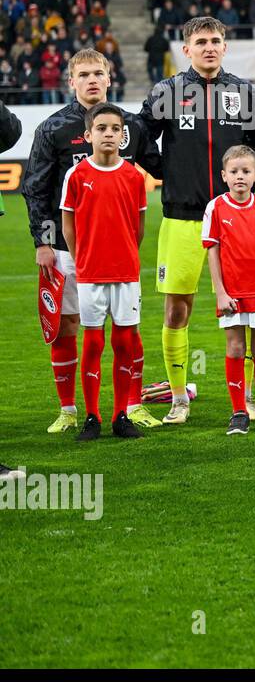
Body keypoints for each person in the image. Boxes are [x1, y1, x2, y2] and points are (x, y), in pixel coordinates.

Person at [21, 48, 163, 433]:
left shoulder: (130, 125)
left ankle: (131, 406)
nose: (92, 80)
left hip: (117, 253)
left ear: (110, 77)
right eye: (83, 74)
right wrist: (43, 242)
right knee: (68, 326)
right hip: (68, 251)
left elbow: (159, 167)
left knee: (127, 329)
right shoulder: (52, 128)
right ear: (71, 82)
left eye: (98, 73)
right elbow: (35, 188)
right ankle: (69, 409)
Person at [140, 17, 255, 425]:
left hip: (236, 219)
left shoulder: (243, 92)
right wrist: (165, 171)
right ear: (185, 49)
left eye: (216, 41)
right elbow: (139, 137)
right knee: (177, 309)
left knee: (244, 309)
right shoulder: (168, 91)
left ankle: (245, 401)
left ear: (225, 47)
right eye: (200, 41)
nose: (209, 47)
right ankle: (178, 398)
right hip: (182, 217)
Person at [58, 103, 148, 441]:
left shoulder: (133, 176)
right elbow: (69, 225)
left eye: (114, 129)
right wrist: (83, 259)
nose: (108, 134)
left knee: (125, 341)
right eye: (101, 128)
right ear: (88, 135)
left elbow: (138, 227)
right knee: (93, 342)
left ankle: (120, 415)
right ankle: (92, 416)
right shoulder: (77, 175)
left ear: (122, 135)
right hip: (90, 273)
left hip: (125, 271)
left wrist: (124, 254)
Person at [202, 145, 255, 434]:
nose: (240, 177)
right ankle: (238, 411)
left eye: (246, 171)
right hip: (232, 294)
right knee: (236, 348)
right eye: (234, 172)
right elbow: (212, 252)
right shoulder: (215, 207)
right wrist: (221, 293)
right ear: (224, 176)